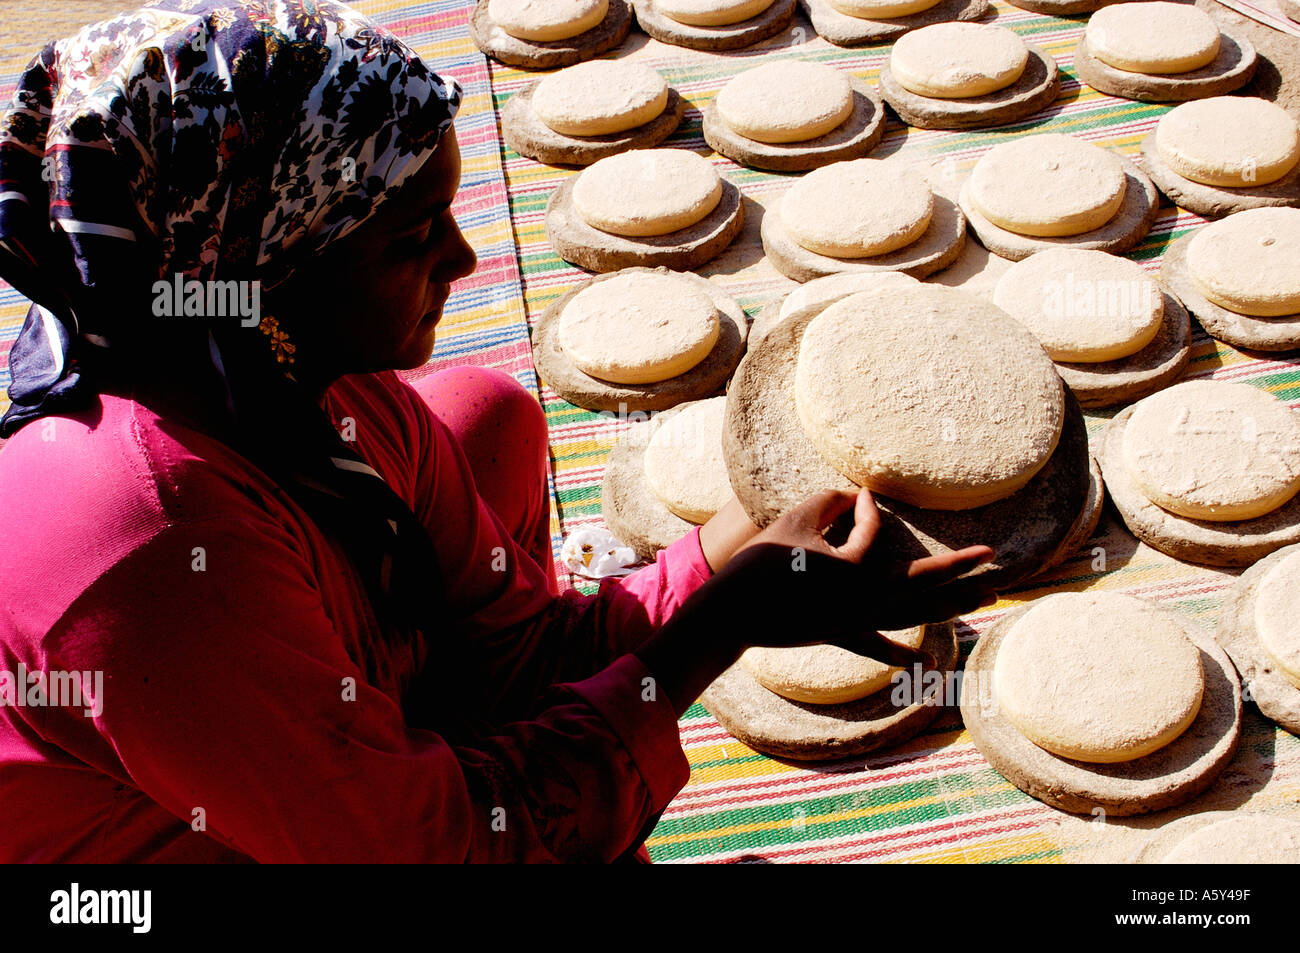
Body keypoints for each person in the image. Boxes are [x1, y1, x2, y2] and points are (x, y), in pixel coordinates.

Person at [0, 0, 994, 863]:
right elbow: (434, 852)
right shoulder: (144, 538)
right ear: (266, 263)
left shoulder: (304, 377)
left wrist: (749, 526)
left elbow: (522, 650)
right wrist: (715, 629)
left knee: (483, 415)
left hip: (271, 725)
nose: (465, 257)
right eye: (413, 236)